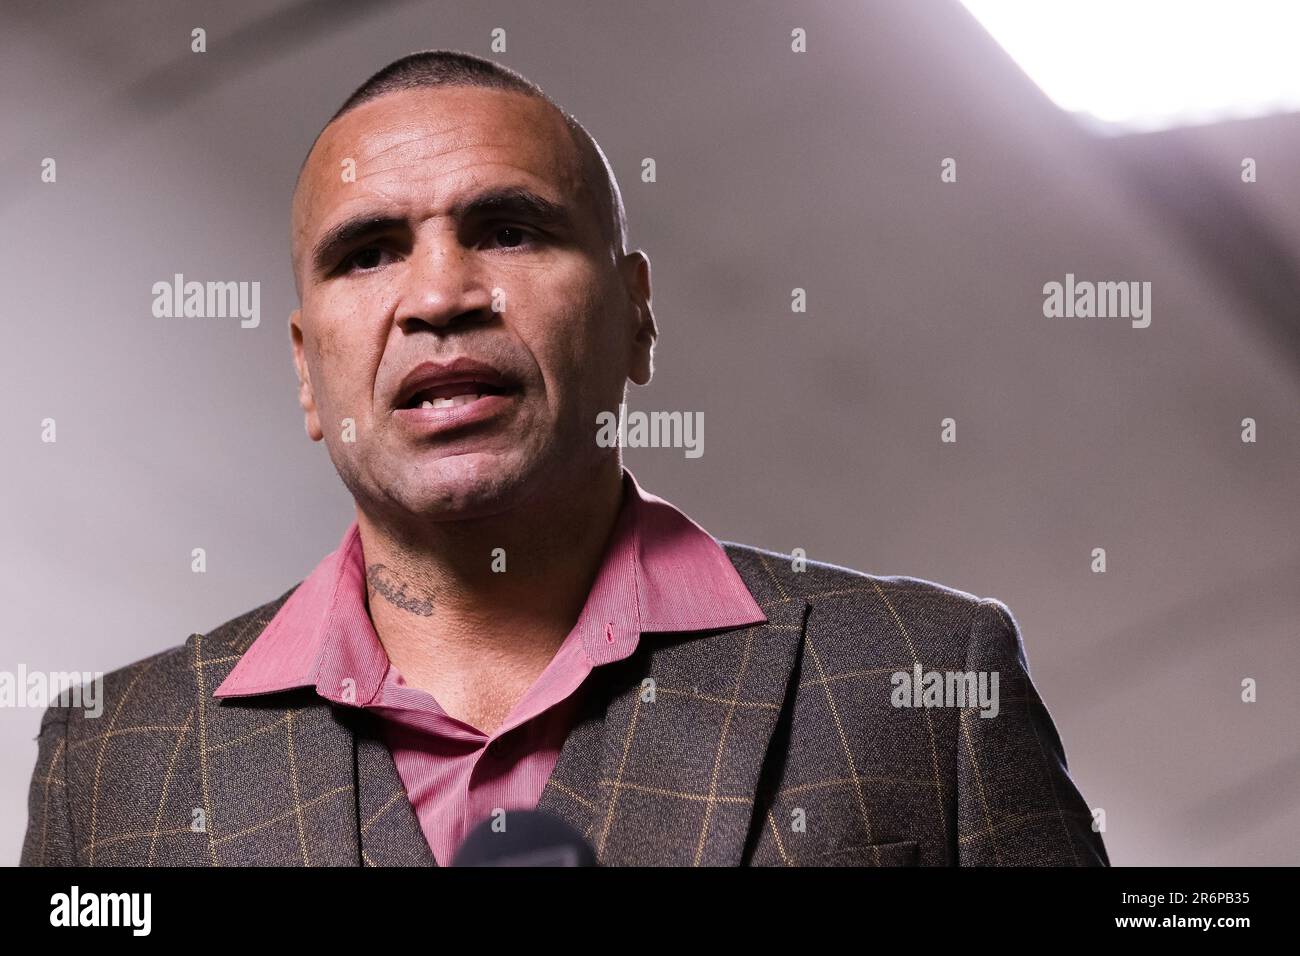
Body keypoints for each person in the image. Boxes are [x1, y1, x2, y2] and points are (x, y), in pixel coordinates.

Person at [21, 50, 1107, 867]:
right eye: (368, 252)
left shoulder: (923, 684)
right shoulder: (114, 764)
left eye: (508, 230)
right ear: (309, 370)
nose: (441, 296)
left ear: (637, 316)